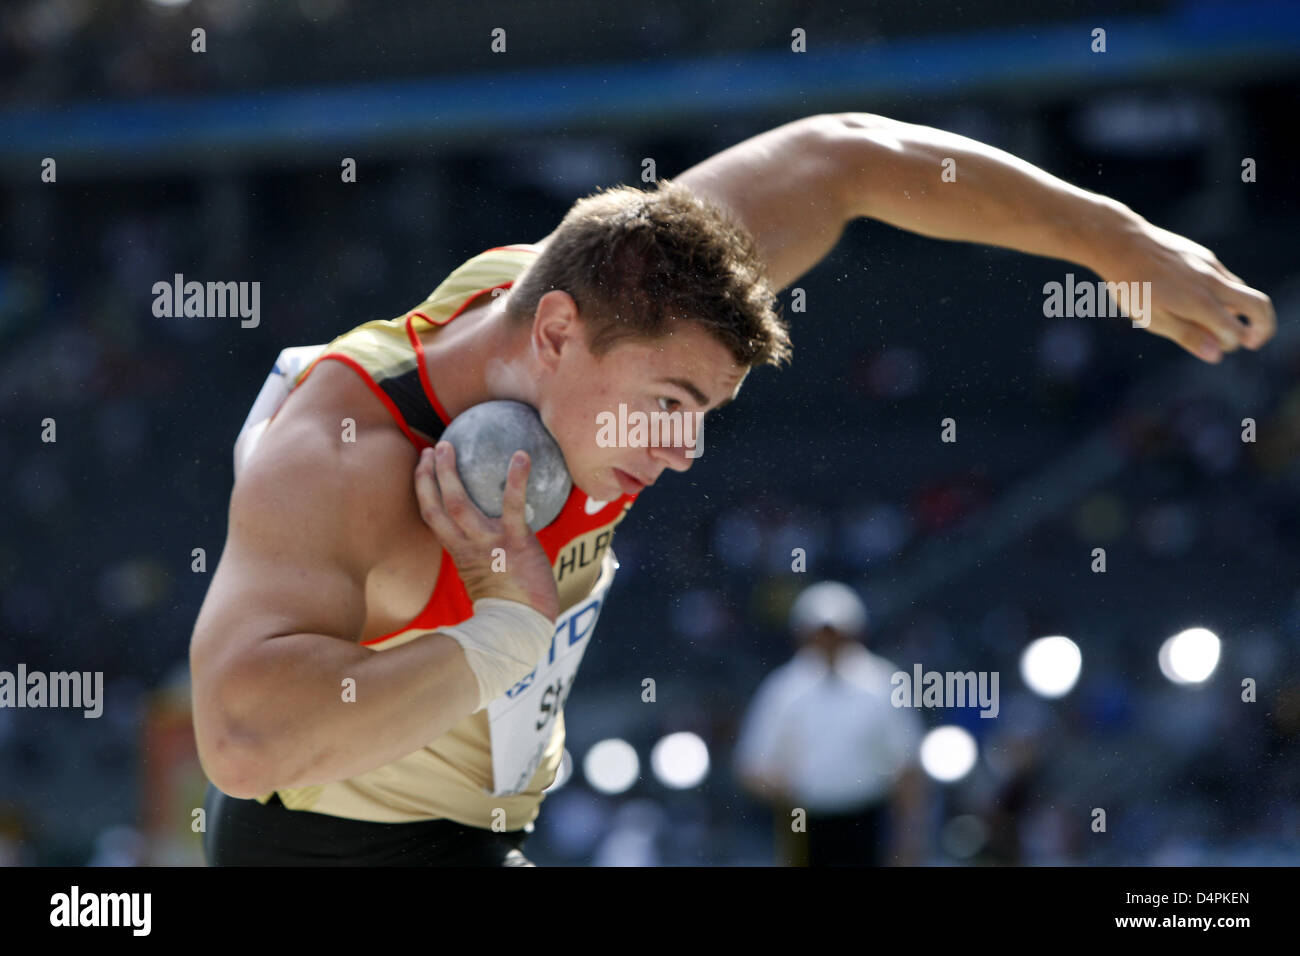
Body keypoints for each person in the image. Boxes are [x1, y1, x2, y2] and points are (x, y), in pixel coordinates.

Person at [189, 112, 1275, 866]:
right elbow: (241, 737)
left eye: (705, 411)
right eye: (669, 403)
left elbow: (849, 158)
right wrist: (500, 637)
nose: (682, 450)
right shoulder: (349, 451)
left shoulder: (624, 279)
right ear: (557, 335)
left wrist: (1115, 241)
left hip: (482, 826)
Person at [734, 581, 926, 866]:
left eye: (836, 633)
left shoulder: (882, 683)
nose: (828, 642)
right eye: (820, 634)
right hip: (805, 820)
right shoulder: (783, 690)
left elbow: (908, 765)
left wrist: (909, 837)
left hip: (869, 818)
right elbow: (752, 766)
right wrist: (780, 787)